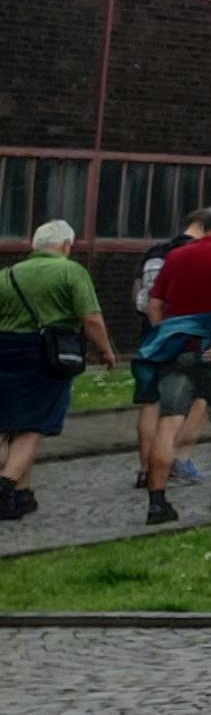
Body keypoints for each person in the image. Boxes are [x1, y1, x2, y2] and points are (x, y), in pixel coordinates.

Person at [132, 204, 211, 523]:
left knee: (168, 421)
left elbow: (154, 304)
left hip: (176, 349)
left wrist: (166, 336)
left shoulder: (176, 256)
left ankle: (157, 501)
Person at [2, 220, 123, 520]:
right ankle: (4, 488)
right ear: (66, 245)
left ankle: (21, 495)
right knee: (34, 424)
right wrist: (106, 350)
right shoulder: (71, 271)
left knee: (5, 423)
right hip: (45, 355)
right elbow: (90, 318)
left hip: (4, 350)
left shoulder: (7, 274)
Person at [132, 219, 211, 483]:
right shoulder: (201, 255)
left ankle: (146, 469)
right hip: (186, 337)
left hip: (151, 336)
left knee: (150, 401)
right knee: (199, 397)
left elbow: (138, 296)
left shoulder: (153, 252)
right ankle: (179, 459)